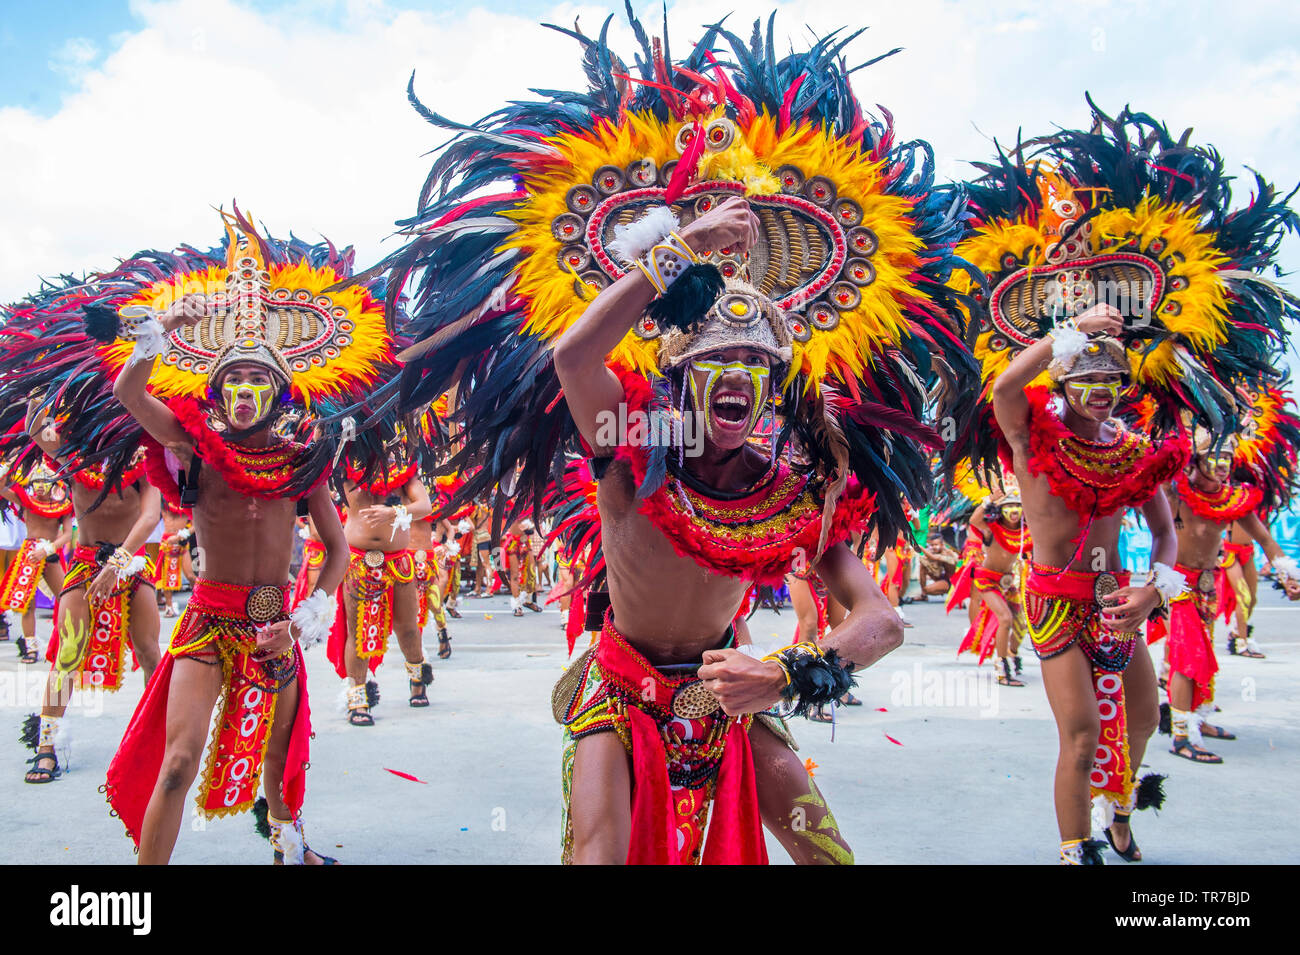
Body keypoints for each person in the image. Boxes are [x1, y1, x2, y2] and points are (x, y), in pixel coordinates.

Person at [380, 13, 973, 863]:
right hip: (618, 691)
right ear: (678, 375)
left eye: (753, 363)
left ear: (774, 385)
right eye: (715, 359)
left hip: (729, 693)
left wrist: (794, 670)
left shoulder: (797, 481)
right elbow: (573, 353)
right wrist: (676, 249)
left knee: (827, 850)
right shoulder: (631, 441)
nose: (735, 374)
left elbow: (881, 618)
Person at [82, 215, 397, 863]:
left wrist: (314, 607)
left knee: (279, 756)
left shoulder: (301, 458)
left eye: (259, 380)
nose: (247, 388)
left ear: (278, 393)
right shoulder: (192, 446)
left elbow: (336, 549)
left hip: (273, 622)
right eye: (235, 379)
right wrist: (156, 335)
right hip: (205, 622)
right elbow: (129, 392)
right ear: (217, 390)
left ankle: (292, 847)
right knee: (176, 762)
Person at [18, 417, 161, 784]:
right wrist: (45, 383)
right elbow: (36, 430)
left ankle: (155, 742)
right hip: (84, 565)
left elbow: (149, 516)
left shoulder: (143, 461)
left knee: (149, 654)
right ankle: (46, 747)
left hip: (132, 564)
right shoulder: (73, 457)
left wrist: (118, 563)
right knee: (68, 653)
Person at [1157, 427, 1300, 762]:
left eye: (1226, 457)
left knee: (1205, 655)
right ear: (1196, 460)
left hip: (1208, 585)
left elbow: (1266, 541)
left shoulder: (1233, 499)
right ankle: (1180, 735)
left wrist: (1288, 574)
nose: (1222, 464)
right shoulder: (1175, 493)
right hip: (1175, 586)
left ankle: (1200, 717)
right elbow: (1160, 473)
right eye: (1214, 457)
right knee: (1188, 657)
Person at [328, 452, 434, 724]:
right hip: (358, 559)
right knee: (357, 631)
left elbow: (424, 506)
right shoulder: (344, 462)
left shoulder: (403, 468)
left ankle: (417, 679)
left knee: (408, 628)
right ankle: (358, 699)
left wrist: (395, 511)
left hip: (398, 560)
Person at [0, 457, 73, 664]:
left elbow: (67, 534)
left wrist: (49, 548)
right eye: (36, 483)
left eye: (44, 482)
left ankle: (65, 644)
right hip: (29, 554)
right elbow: (2, 488)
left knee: (66, 599)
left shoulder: (63, 506)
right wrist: (7, 465)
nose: (40, 487)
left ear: (53, 485)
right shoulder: (25, 501)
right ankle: (30, 647)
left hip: (49, 553)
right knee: (26, 605)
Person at [962, 488, 1030, 686]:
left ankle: (1012, 653)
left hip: (1008, 582)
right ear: (1000, 510)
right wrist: (990, 499)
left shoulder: (1026, 531)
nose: (1014, 510)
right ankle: (1002, 670)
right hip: (987, 581)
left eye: (1017, 505)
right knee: (1005, 618)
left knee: (1021, 625)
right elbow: (974, 520)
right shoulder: (991, 528)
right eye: (1009, 506)